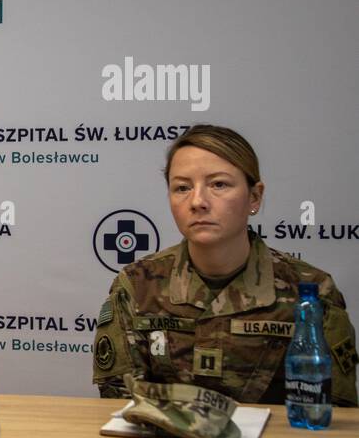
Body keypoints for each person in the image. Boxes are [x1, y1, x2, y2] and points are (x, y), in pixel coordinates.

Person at [92, 124, 357, 406]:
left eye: (219, 184)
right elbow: (118, 404)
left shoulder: (311, 291)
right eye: (182, 187)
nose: (198, 202)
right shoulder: (137, 284)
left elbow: (332, 412)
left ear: (254, 197)